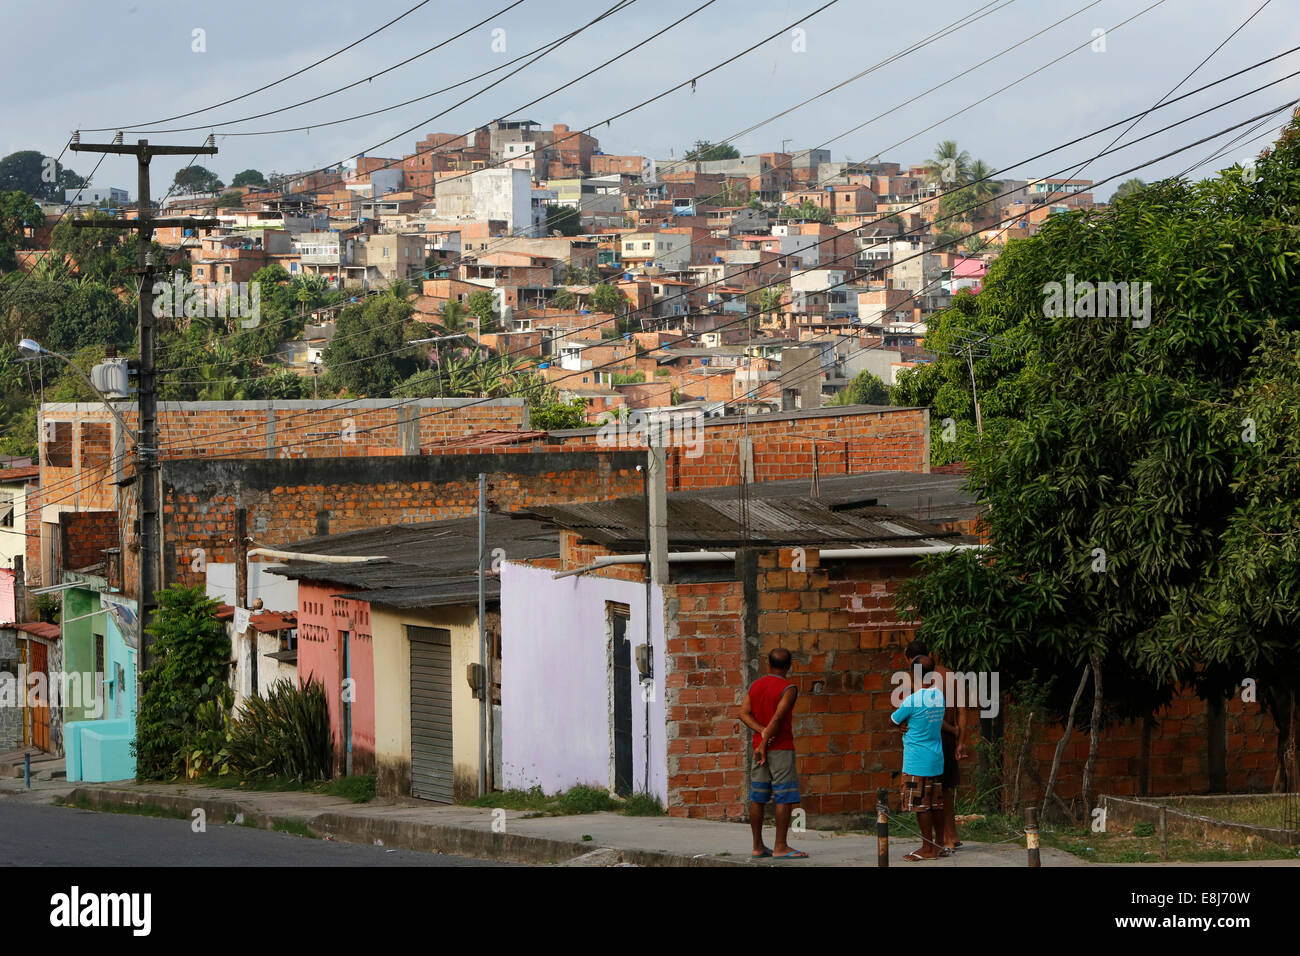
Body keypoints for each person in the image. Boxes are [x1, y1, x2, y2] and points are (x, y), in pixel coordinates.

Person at [739, 647, 806, 859]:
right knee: (784, 797)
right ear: (789, 666)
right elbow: (778, 718)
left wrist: (761, 736)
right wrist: (766, 739)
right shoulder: (789, 689)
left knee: (757, 797)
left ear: (768, 664)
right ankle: (780, 847)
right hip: (781, 749)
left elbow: (743, 713)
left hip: (759, 750)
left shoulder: (756, 685)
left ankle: (757, 846)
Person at [904, 640, 969, 852]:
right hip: (948, 740)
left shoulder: (919, 680)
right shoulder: (950, 675)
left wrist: (951, 730)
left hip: (931, 739)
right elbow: (962, 710)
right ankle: (951, 836)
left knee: (931, 794)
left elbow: (929, 714)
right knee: (946, 789)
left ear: (911, 660)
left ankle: (938, 842)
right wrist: (960, 740)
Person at [890, 652, 947, 861]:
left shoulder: (912, 700)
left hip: (916, 761)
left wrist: (903, 725)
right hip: (936, 758)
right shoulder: (939, 695)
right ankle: (938, 844)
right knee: (936, 804)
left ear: (912, 674)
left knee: (921, 806)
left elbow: (893, 721)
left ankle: (927, 848)